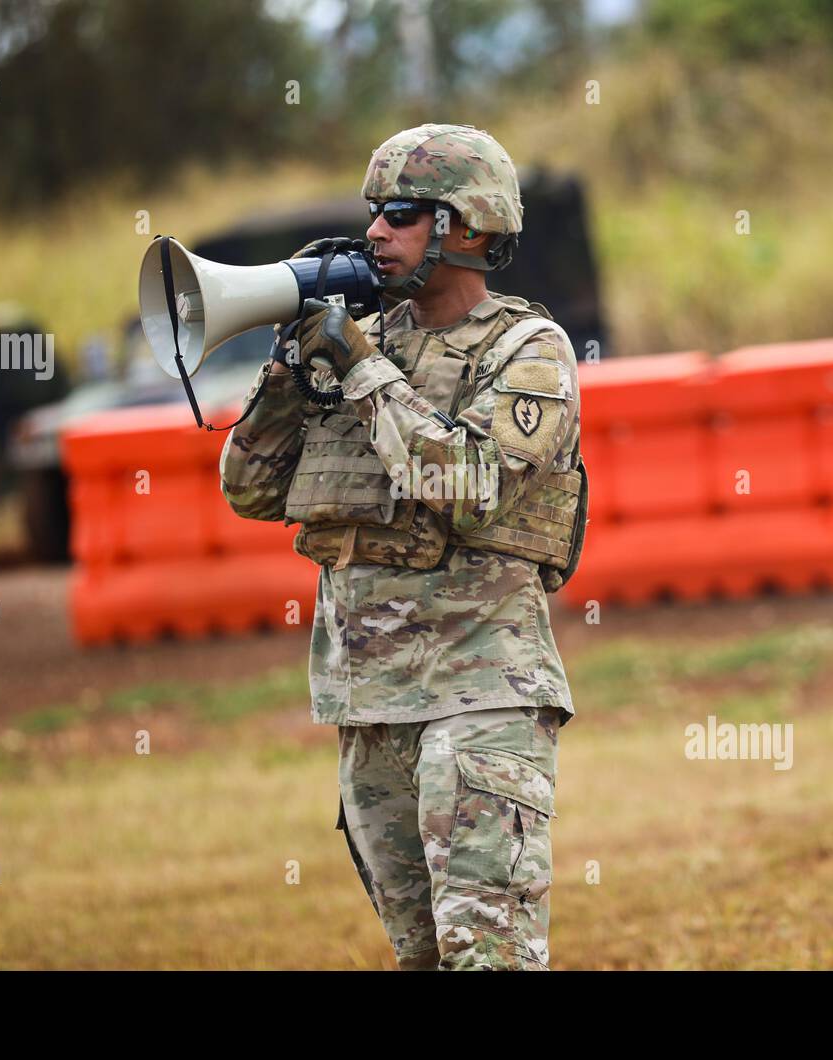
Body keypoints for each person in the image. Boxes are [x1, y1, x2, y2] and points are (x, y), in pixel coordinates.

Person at [220, 123, 587, 970]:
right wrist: (286, 371)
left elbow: (470, 487)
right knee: (421, 960)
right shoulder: (361, 347)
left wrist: (356, 367)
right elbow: (249, 490)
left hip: (480, 694)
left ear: (469, 227)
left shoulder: (527, 351)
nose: (376, 233)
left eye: (403, 214)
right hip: (370, 709)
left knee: (484, 959)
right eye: (373, 215)